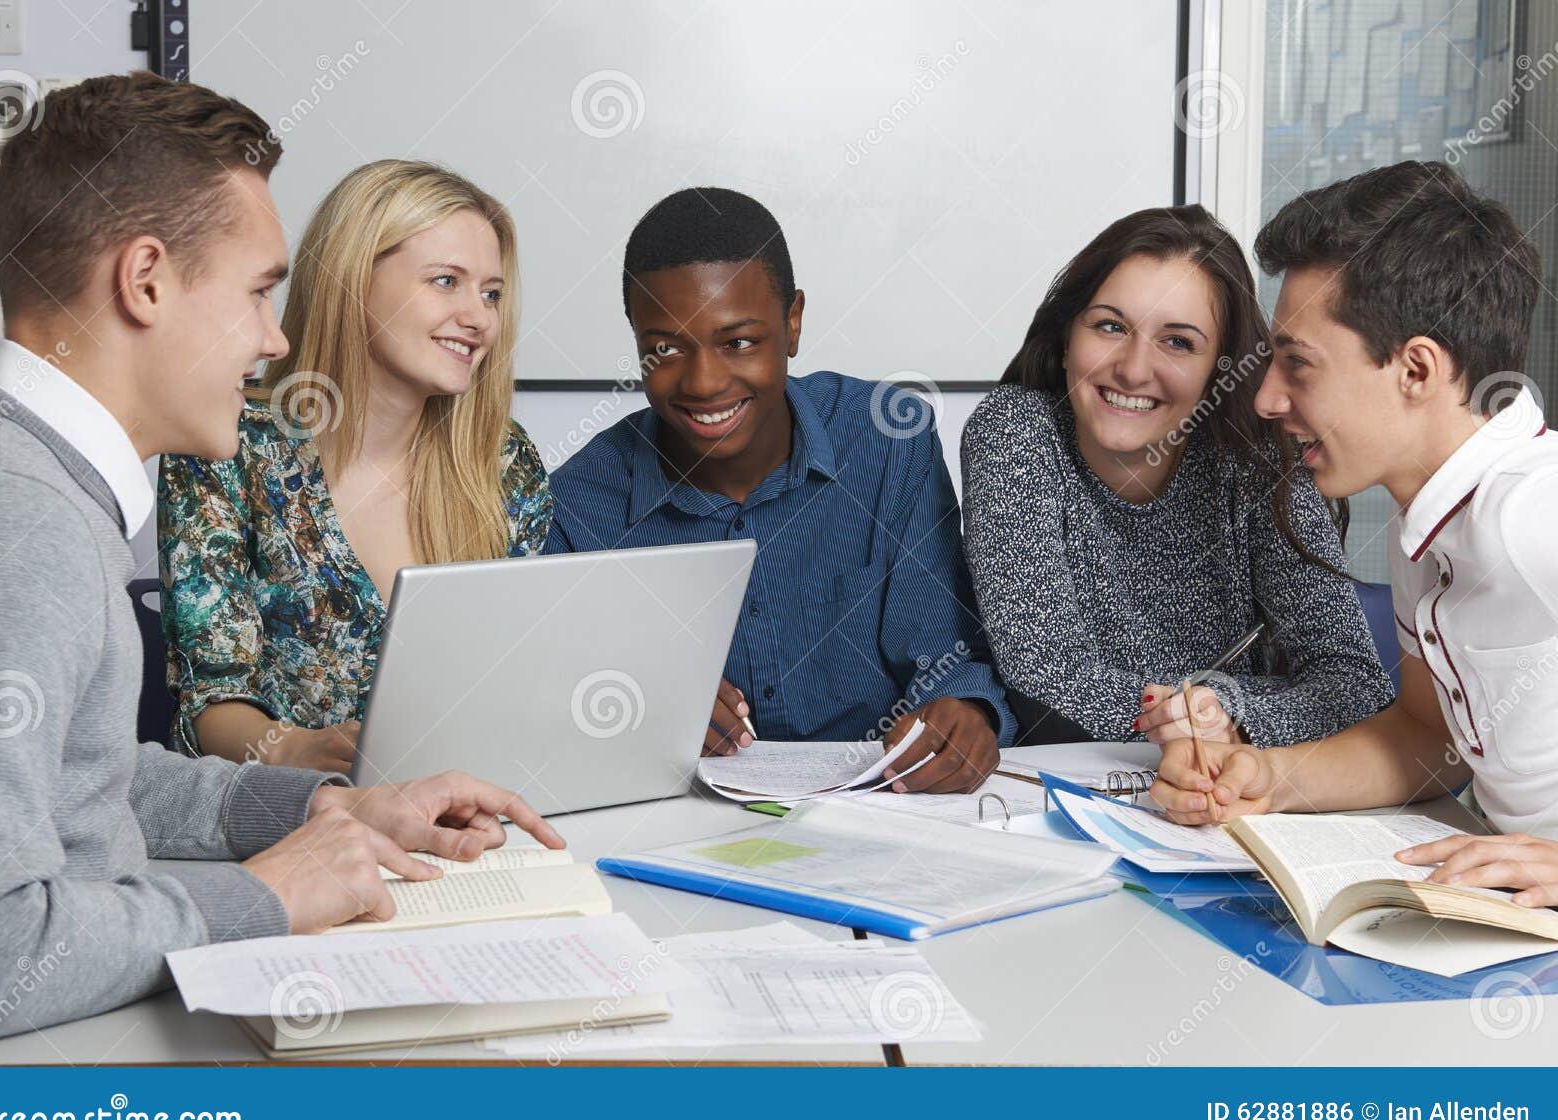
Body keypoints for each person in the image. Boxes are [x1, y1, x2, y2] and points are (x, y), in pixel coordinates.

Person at [0, 73, 560, 1041]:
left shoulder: (39, 485)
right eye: (258, 291)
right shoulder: (14, 521)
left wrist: (338, 803)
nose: (276, 336)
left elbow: (93, 779)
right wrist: (258, 896)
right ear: (145, 279)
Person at [1150, 161, 1558, 906]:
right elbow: (1424, 738)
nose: (1268, 398)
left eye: (1297, 365)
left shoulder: (1535, 509)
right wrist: (1268, 776)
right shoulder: (1429, 527)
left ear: (1416, 369)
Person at [545, 187, 1015, 794]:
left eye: (738, 342)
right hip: (670, 827)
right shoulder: (578, 504)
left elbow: (945, 657)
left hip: (875, 816)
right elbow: (545, 698)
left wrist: (967, 713)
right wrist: (634, 705)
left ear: (792, 323)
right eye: (664, 349)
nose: (705, 382)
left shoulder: (888, 441)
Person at [158, 159, 551, 773]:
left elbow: (520, 680)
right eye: (446, 281)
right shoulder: (228, 447)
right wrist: (291, 749)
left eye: (491, 293)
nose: (479, 318)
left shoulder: (502, 461)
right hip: (302, 829)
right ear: (351, 279)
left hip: (467, 808)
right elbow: (210, 701)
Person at [962, 205, 1393, 747]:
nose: (1134, 369)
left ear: (1222, 365)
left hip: (1233, 787)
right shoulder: (1015, 431)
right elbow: (1043, 675)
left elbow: (1355, 685)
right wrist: (1189, 719)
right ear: (1068, 337)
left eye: (1178, 342)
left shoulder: (1258, 455)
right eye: (1111, 326)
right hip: (1066, 780)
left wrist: (1224, 713)